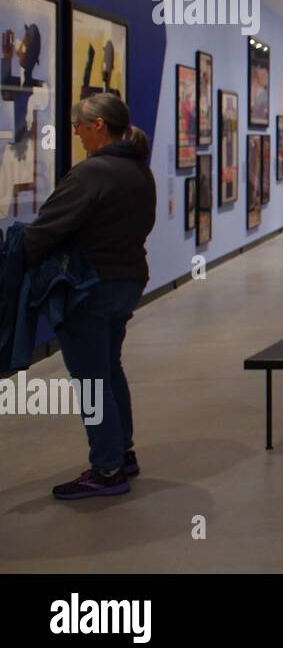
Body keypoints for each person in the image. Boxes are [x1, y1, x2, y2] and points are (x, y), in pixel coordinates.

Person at [24, 93, 156, 499]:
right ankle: (122, 452)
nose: (76, 133)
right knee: (108, 368)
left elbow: (47, 227)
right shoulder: (138, 171)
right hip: (126, 283)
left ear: (99, 126)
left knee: (91, 381)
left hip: (90, 288)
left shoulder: (92, 174)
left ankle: (107, 468)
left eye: (79, 125)